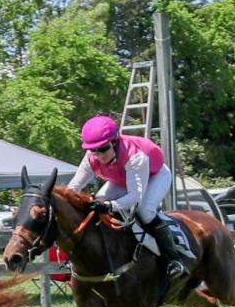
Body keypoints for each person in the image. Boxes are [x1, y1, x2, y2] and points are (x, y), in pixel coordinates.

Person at [66, 114, 186, 279]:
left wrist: (109, 206)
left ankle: (174, 260)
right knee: (97, 202)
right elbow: (72, 188)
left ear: (115, 142)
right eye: (94, 150)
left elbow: (134, 198)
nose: (99, 155)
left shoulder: (135, 156)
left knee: (145, 211)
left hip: (155, 176)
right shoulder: (90, 158)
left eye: (104, 148)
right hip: (122, 179)